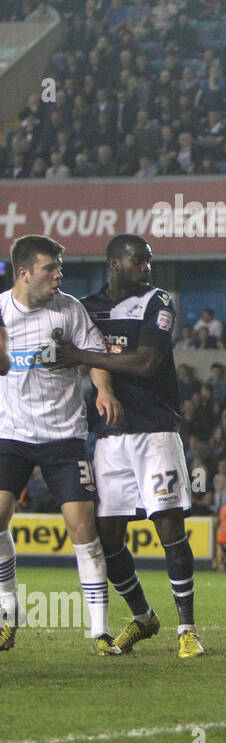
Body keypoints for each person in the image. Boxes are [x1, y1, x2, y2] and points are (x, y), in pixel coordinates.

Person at [52, 234, 203, 658]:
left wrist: (83, 356)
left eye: (149, 261)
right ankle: (143, 617)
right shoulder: (86, 308)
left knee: (169, 527)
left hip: (155, 429)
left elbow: (145, 362)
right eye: (139, 261)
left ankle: (187, 629)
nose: (147, 267)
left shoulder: (159, 300)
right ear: (114, 263)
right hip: (110, 435)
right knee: (106, 534)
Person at [0, 235, 120, 656]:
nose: (58, 275)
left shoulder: (69, 308)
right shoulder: (0, 312)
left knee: (83, 527)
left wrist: (103, 389)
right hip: (10, 434)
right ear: (24, 272)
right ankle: (7, 613)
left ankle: (100, 631)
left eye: (59, 267)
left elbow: (94, 354)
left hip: (64, 435)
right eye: (50, 268)